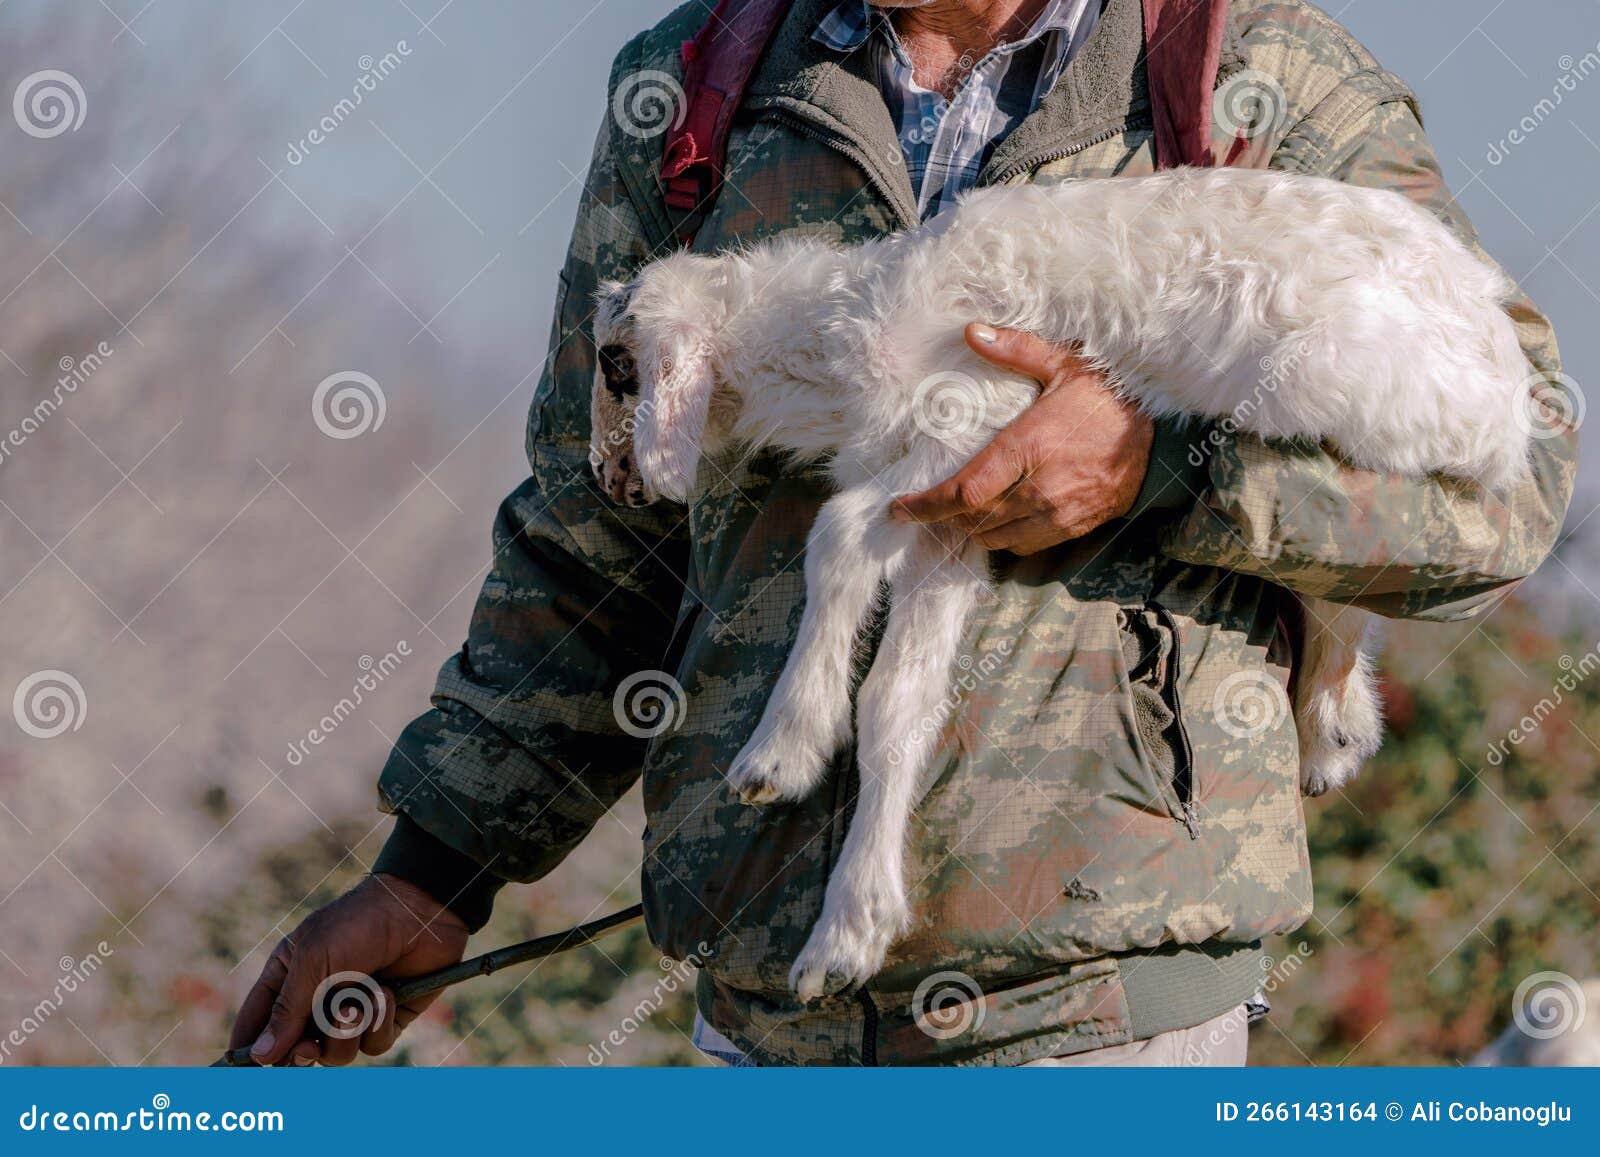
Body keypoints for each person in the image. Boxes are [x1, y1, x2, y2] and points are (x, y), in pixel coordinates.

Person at [229, 0, 1575, 1067]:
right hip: (770, 1022)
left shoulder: (1256, 79)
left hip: (1104, 1018)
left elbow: (1511, 485)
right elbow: (596, 540)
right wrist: (432, 876)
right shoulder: (697, 90)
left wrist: (1168, 469)